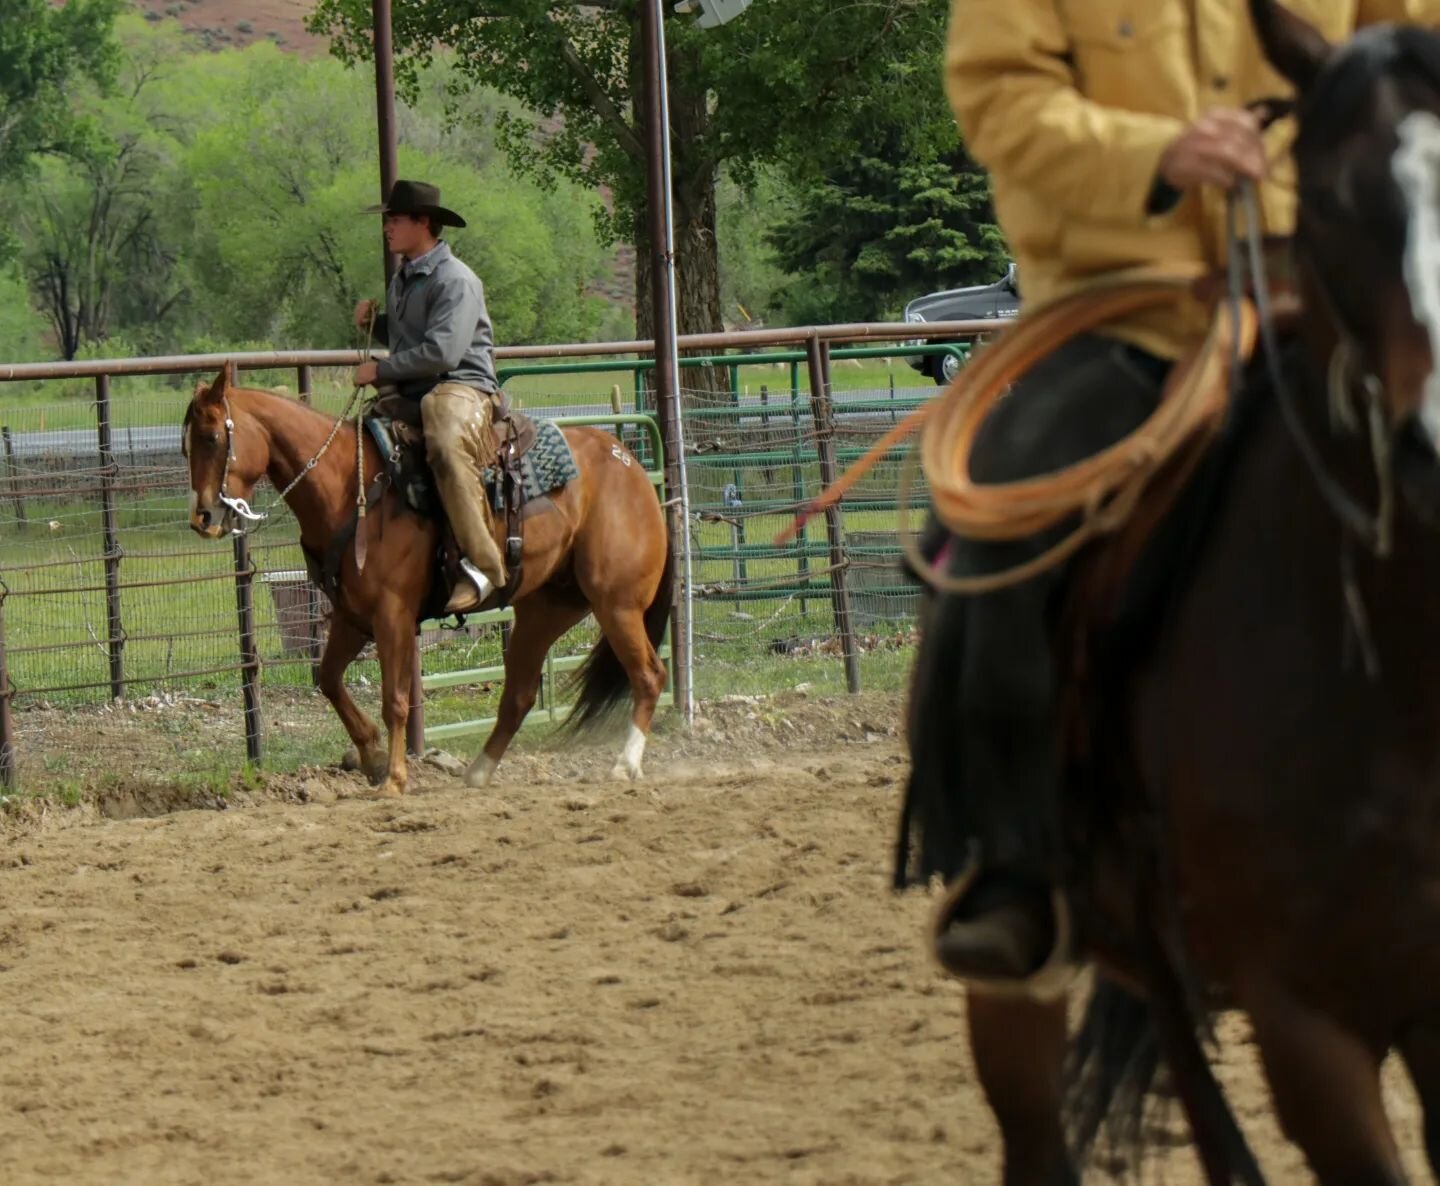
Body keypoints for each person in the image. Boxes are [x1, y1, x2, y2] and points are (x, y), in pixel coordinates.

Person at [907, 0, 1440, 988]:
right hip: (1125, 306)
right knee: (997, 528)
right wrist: (1161, 152)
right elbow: (1002, 103)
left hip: (1326, 281)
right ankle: (1022, 864)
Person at [353, 179, 505, 614]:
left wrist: (378, 369)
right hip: (420, 388)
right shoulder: (404, 278)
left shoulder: (456, 279)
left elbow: (443, 352)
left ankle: (481, 565)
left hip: (462, 386)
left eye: (395, 219)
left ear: (424, 223)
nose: (387, 227)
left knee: (443, 443)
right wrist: (376, 328)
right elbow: (413, 339)